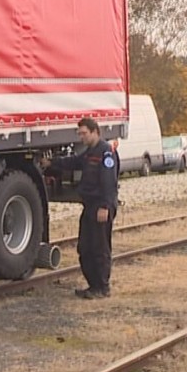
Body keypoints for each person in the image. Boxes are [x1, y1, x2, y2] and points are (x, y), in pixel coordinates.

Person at [40, 117, 119, 299]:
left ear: (95, 132)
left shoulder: (106, 153)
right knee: (85, 247)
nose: (81, 137)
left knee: (100, 248)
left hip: (100, 206)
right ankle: (93, 285)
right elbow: (74, 162)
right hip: (89, 205)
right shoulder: (89, 152)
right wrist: (52, 162)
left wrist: (105, 206)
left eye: (84, 133)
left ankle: (102, 287)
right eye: (79, 134)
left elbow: (109, 182)